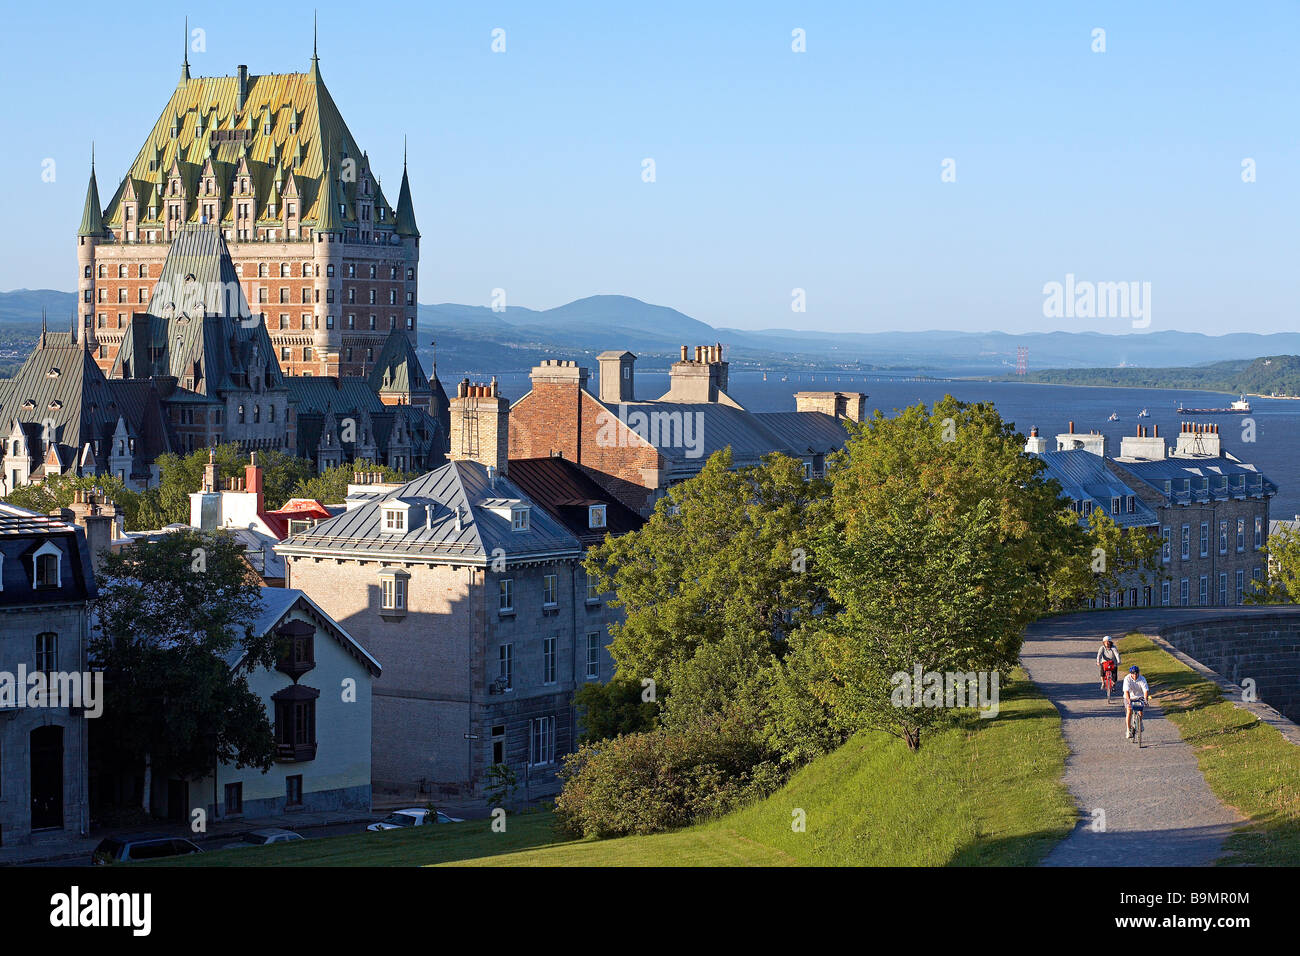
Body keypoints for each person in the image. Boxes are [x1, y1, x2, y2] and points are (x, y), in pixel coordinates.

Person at [1123, 665, 1151, 740]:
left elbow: (1145, 690)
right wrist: (1129, 702)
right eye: (1133, 673)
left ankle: (1140, 722)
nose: (1135, 675)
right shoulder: (1127, 679)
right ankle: (1128, 730)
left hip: (1139, 697)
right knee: (1129, 711)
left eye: (1136, 673)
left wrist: (1145, 700)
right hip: (1129, 697)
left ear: (1138, 673)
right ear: (1131, 674)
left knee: (1140, 710)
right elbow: (1126, 691)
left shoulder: (1142, 679)